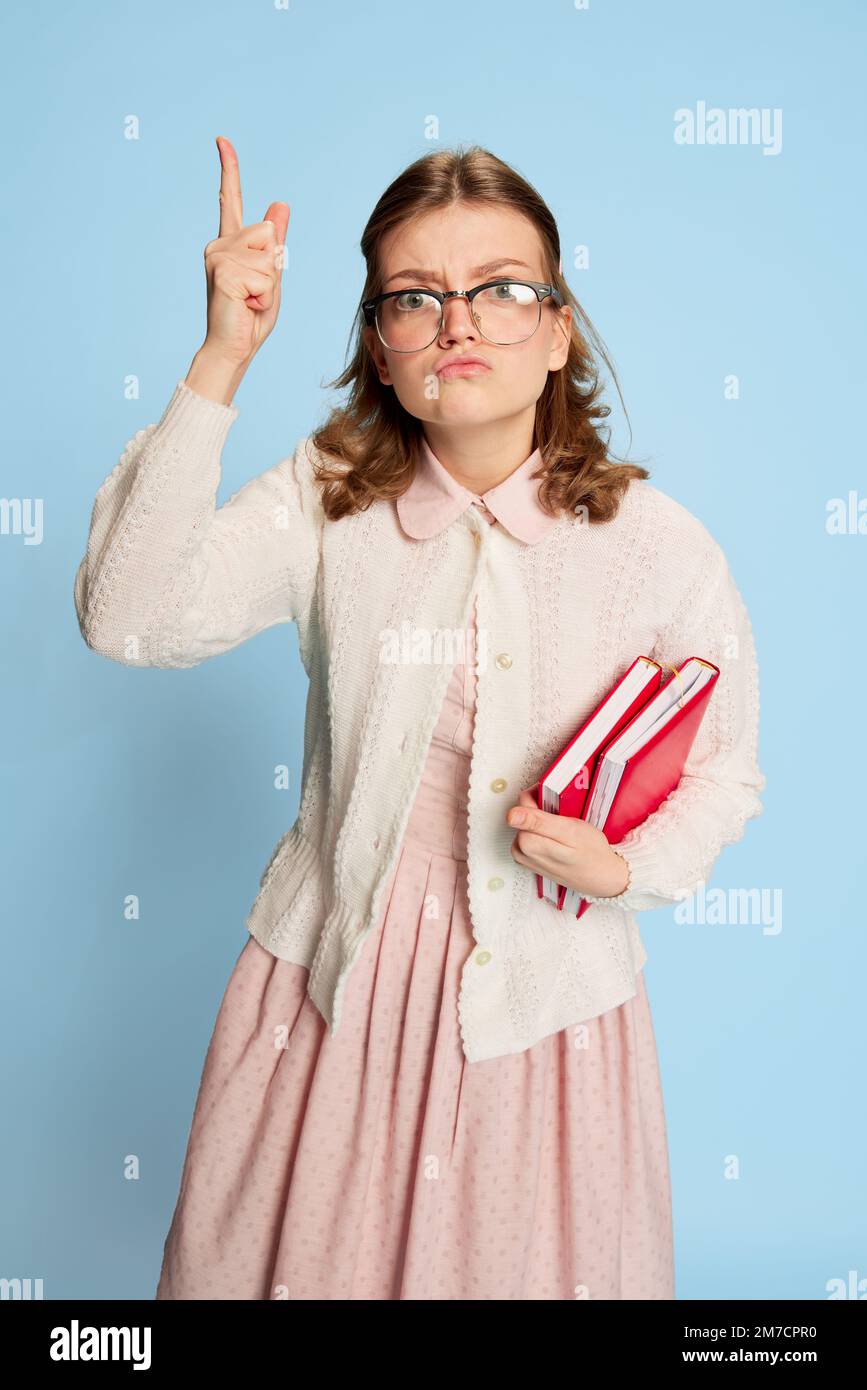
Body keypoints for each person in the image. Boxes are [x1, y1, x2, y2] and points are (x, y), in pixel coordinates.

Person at [73, 136, 765, 1300]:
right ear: (379, 350)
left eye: (501, 290)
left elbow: (725, 775)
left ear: (557, 331)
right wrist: (222, 357)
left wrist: (623, 863)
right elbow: (127, 617)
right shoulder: (326, 498)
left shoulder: (657, 548)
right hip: (327, 996)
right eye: (415, 298)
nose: (460, 324)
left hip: (544, 1018)